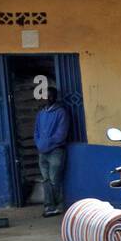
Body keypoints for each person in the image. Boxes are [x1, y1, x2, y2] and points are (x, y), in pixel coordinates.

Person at [34, 86, 70, 217]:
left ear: (55, 97)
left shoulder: (61, 112)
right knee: (46, 180)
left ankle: (59, 206)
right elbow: (36, 132)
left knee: (55, 179)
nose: (48, 98)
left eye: (51, 96)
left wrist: (47, 143)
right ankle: (49, 206)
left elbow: (61, 134)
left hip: (56, 150)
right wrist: (39, 143)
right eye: (46, 96)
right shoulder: (41, 114)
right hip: (42, 152)